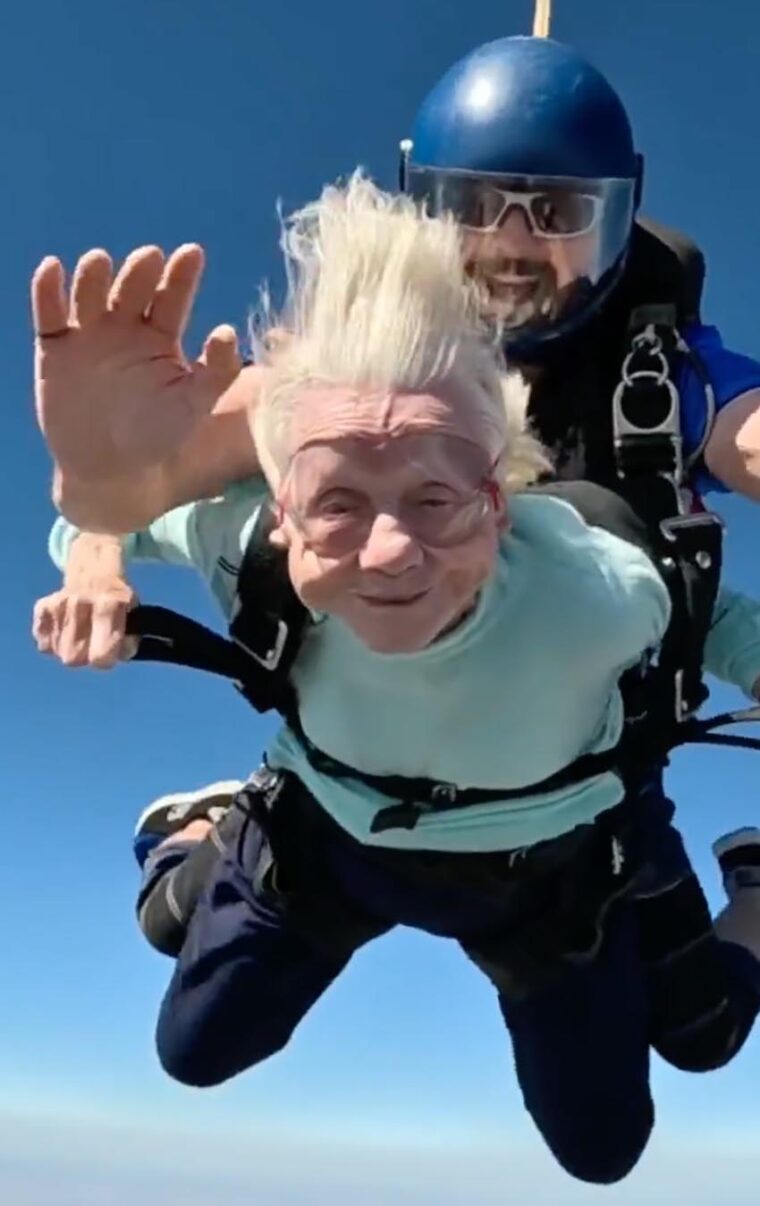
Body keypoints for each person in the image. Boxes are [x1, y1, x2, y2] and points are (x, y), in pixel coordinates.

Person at [34, 174, 760, 1185]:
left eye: (435, 500)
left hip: (551, 874)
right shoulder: (246, 540)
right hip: (331, 838)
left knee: (612, 1141)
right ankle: (199, 831)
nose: (388, 555)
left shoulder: (593, 579)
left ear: (504, 507)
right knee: (192, 1048)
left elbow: (709, 618)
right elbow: (102, 517)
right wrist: (97, 558)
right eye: (336, 505)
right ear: (279, 512)